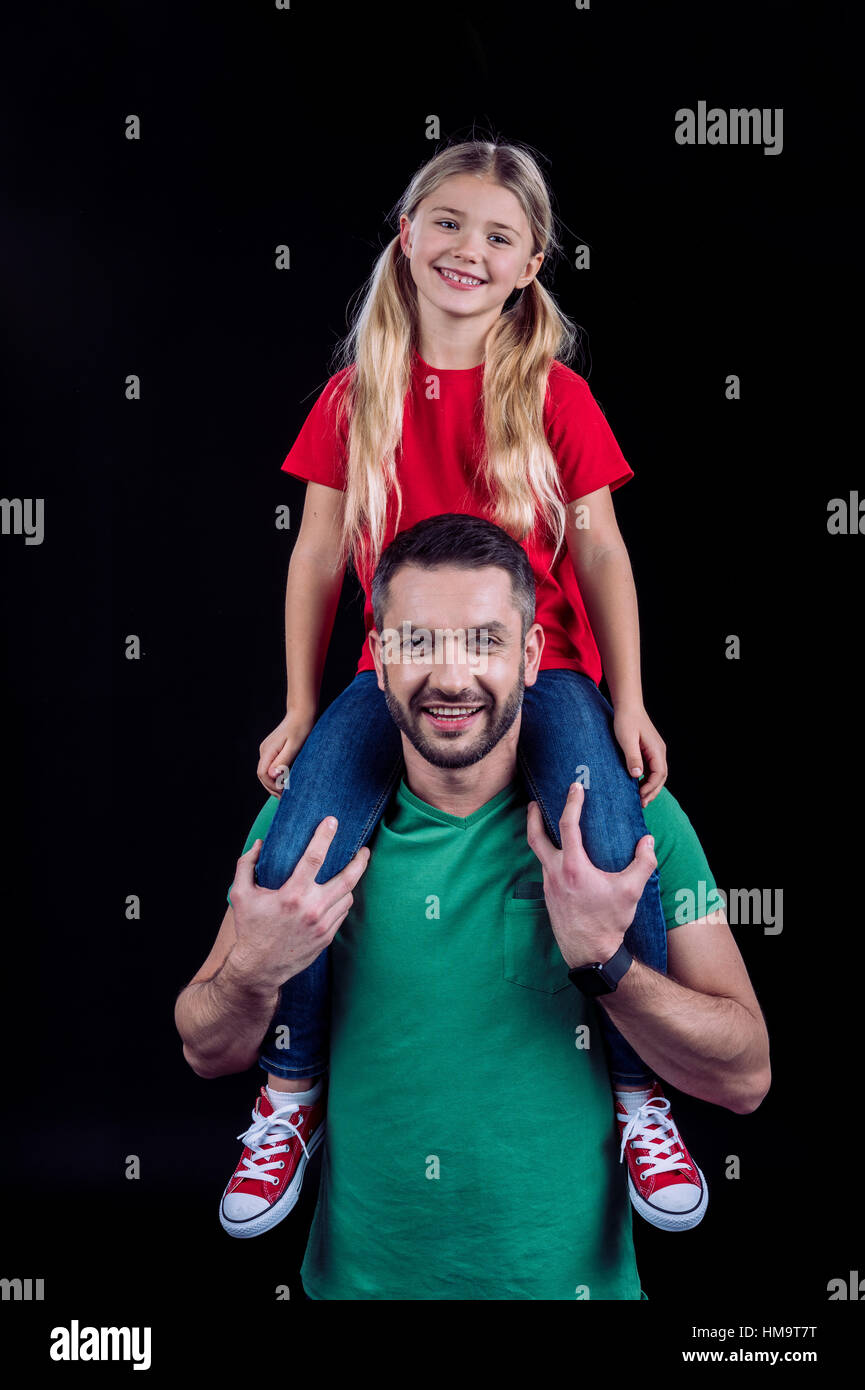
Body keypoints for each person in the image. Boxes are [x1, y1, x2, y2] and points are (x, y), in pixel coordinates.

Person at [222, 134, 695, 1234]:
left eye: (498, 235)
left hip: (549, 669)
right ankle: (291, 1094)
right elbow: (315, 558)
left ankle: (639, 1098)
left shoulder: (554, 395)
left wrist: (627, 698)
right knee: (297, 847)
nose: (467, 249)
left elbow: (603, 555)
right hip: (395, 675)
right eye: (447, 222)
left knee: (612, 831)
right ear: (407, 235)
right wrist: (302, 704)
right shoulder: (359, 395)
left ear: (531, 264)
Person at [174, 515, 771, 1300]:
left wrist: (607, 962)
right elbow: (204, 1049)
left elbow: (744, 1075)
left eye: (484, 641)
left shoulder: (635, 824)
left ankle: (640, 1107)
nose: (451, 678)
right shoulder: (304, 835)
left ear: (530, 657)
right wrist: (254, 970)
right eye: (417, 643)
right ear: (379, 658)